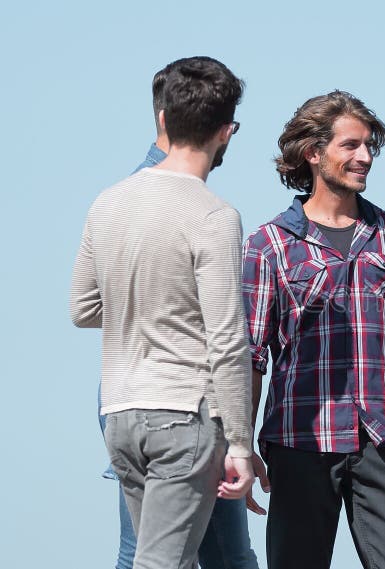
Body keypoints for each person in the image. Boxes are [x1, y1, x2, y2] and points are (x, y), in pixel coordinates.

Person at [242, 90, 385, 569]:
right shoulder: (268, 245)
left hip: (380, 439)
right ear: (312, 153)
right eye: (350, 146)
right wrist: (240, 443)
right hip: (299, 439)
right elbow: (251, 356)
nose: (364, 157)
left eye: (368, 147)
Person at [71, 56, 255, 569]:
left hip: (121, 416)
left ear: (161, 120)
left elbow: (82, 308)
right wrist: (240, 443)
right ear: (227, 132)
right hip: (182, 415)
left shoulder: (106, 202)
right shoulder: (215, 216)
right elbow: (226, 339)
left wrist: (145, 306)